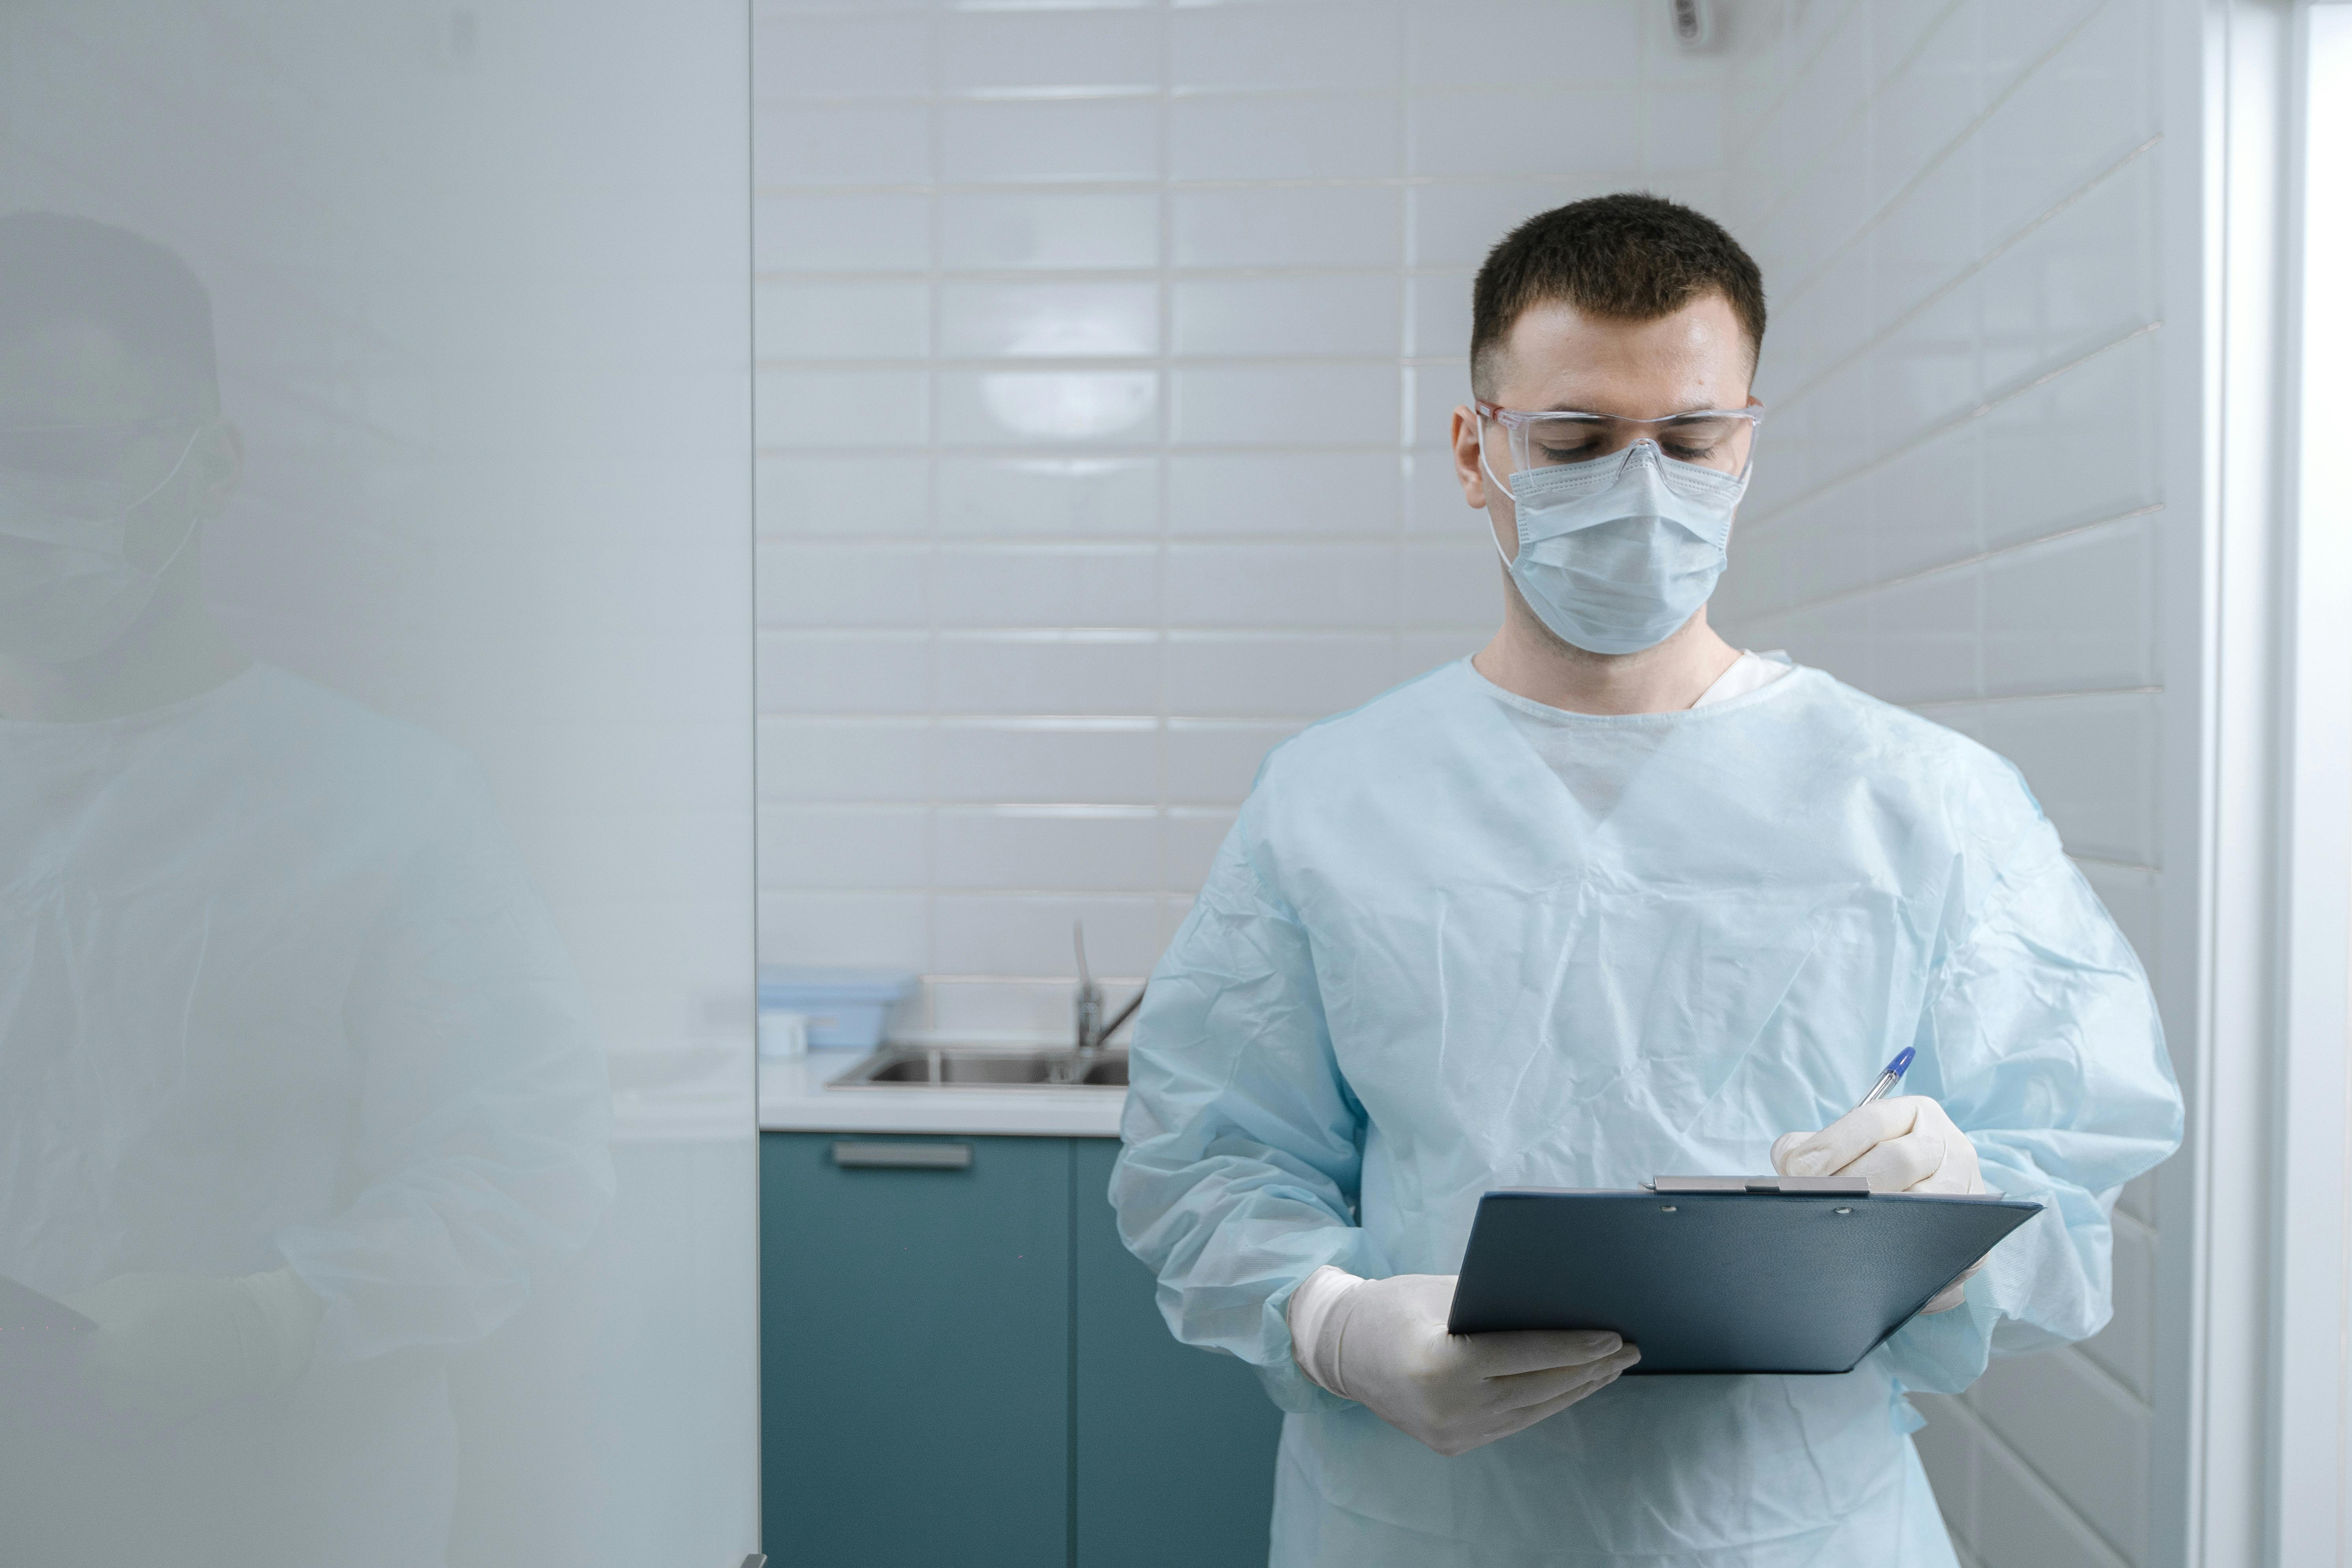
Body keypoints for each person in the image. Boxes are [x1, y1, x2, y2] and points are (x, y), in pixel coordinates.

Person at [1109, 193, 2183, 1566]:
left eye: (1688, 439)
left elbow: (2071, 1168)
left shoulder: (1920, 798)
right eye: (1573, 440)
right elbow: (1210, 1163)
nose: (1639, 487)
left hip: (1789, 1525)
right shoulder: (1329, 800)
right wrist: (1333, 1324)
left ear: (1746, 445)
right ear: (1472, 448)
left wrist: (1958, 1214)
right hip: (1426, 1526)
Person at [0, 211, 613, 1566]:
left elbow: (528, 1155)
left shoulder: (382, 802)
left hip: (270, 1514)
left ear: (211, 466)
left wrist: (282, 1317)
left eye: (50, 463)